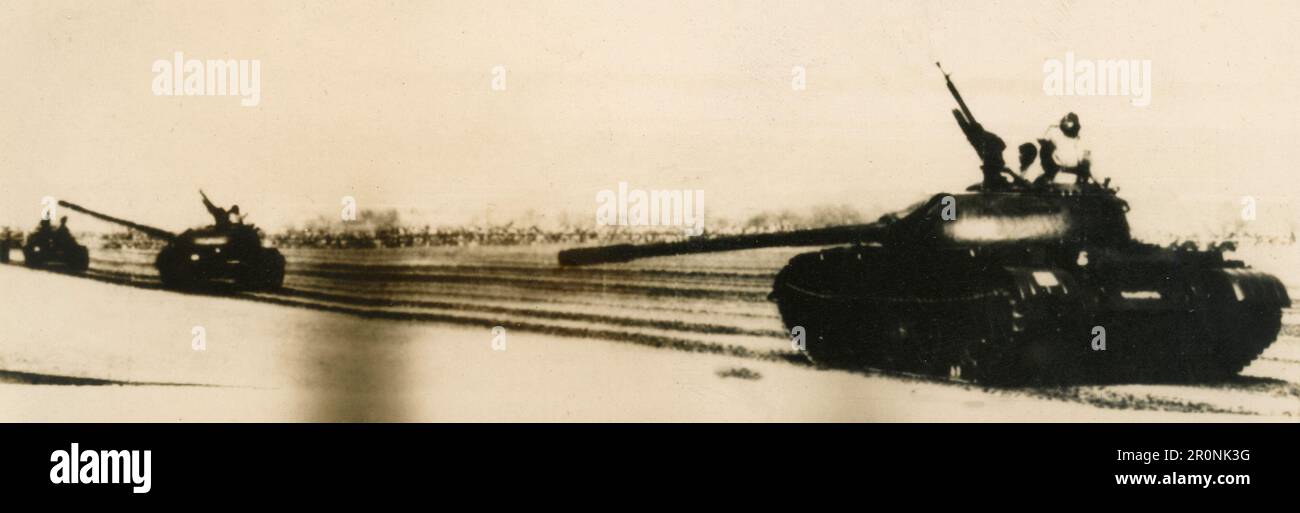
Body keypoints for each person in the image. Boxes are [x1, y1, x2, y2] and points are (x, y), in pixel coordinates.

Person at [1035, 112, 1092, 185]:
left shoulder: (1083, 140)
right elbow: (1044, 154)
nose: (1067, 123)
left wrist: (1084, 176)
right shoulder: (1055, 135)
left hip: (1077, 178)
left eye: (1069, 121)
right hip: (1056, 176)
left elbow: (1086, 162)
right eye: (1065, 121)